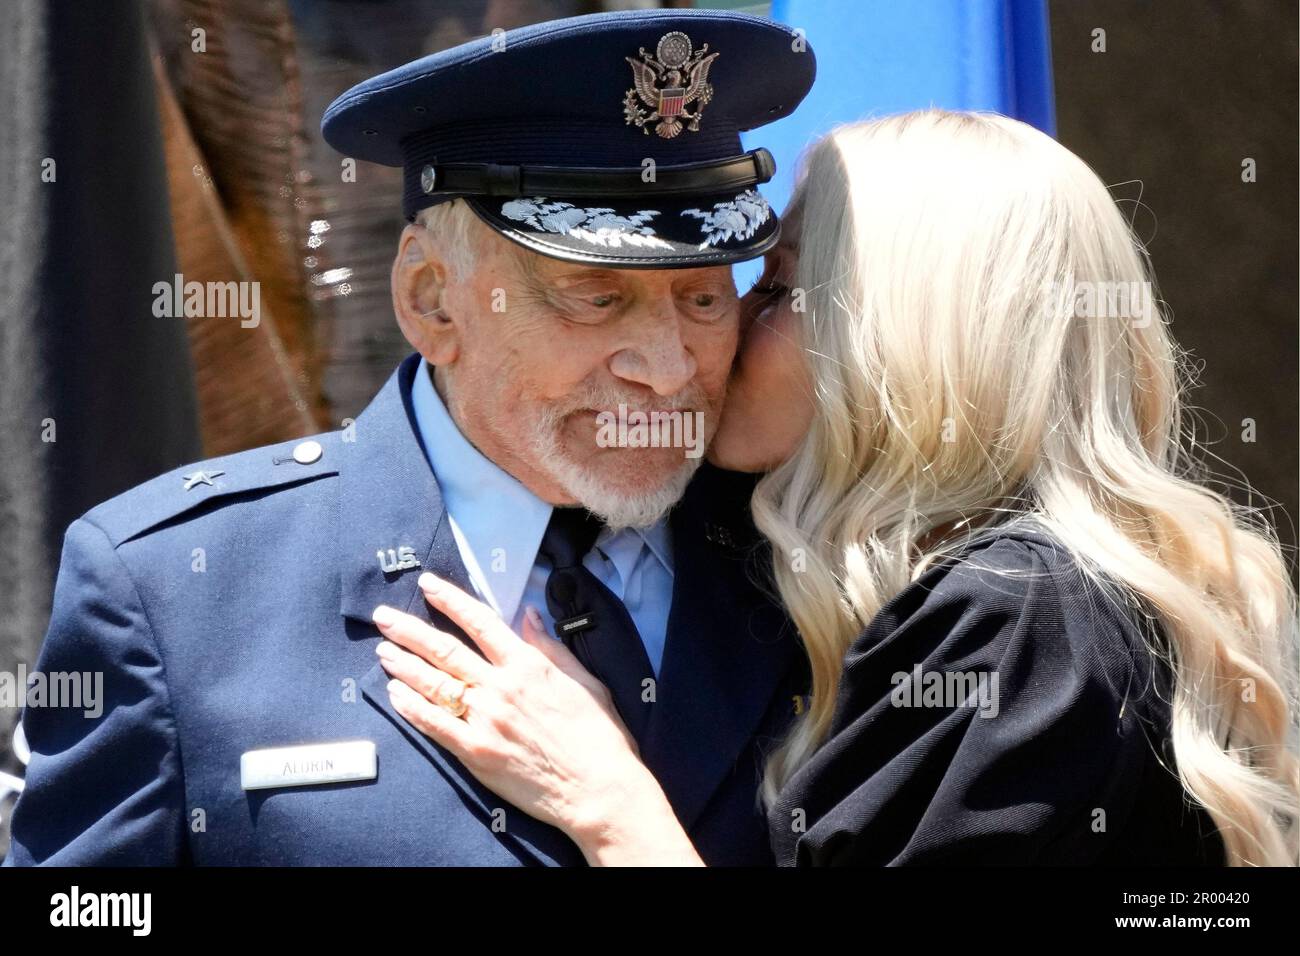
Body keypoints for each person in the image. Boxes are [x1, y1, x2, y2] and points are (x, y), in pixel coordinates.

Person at [369, 109, 1300, 866]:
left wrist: (607, 803)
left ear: (898, 352)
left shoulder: (1017, 618)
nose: (715, 332)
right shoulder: (1044, 593)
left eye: (772, 292)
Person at [3, 8, 818, 866]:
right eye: (597, 297)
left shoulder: (816, 567)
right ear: (431, 300)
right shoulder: (177, 590)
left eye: (703, 299)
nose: (666, 368)